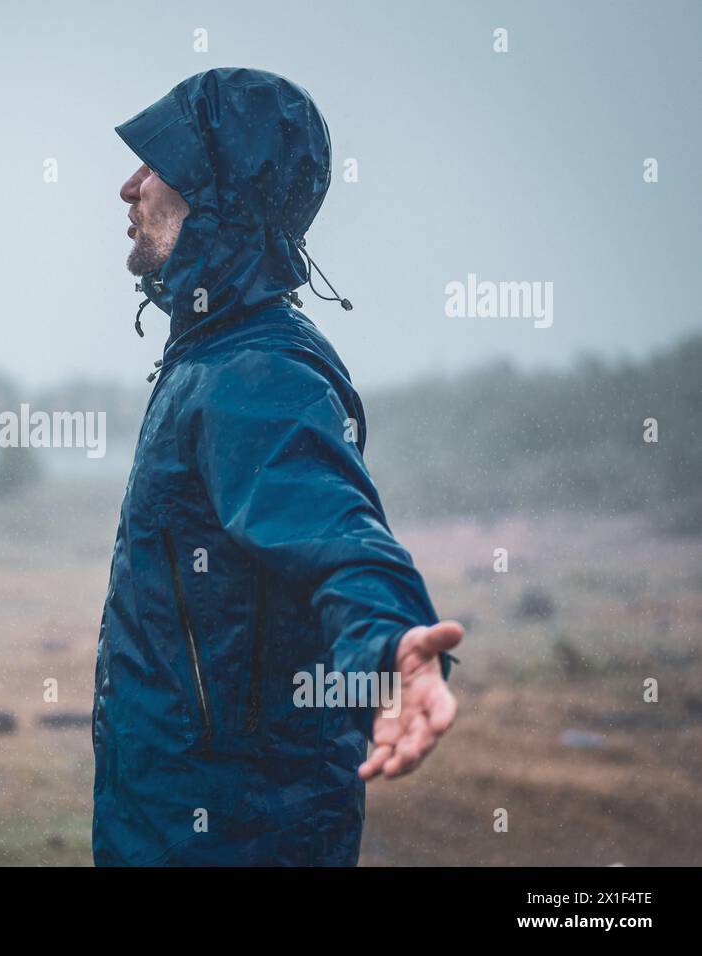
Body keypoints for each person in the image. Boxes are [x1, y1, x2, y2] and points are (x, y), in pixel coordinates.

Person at [92, 67, 463, 866]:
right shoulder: (210, 358)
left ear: (216, 190)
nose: (129, 186)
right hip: (175, 819)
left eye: (155, 163)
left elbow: (337, 532)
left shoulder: (256, 378)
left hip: (237, 834)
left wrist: (396, 643)